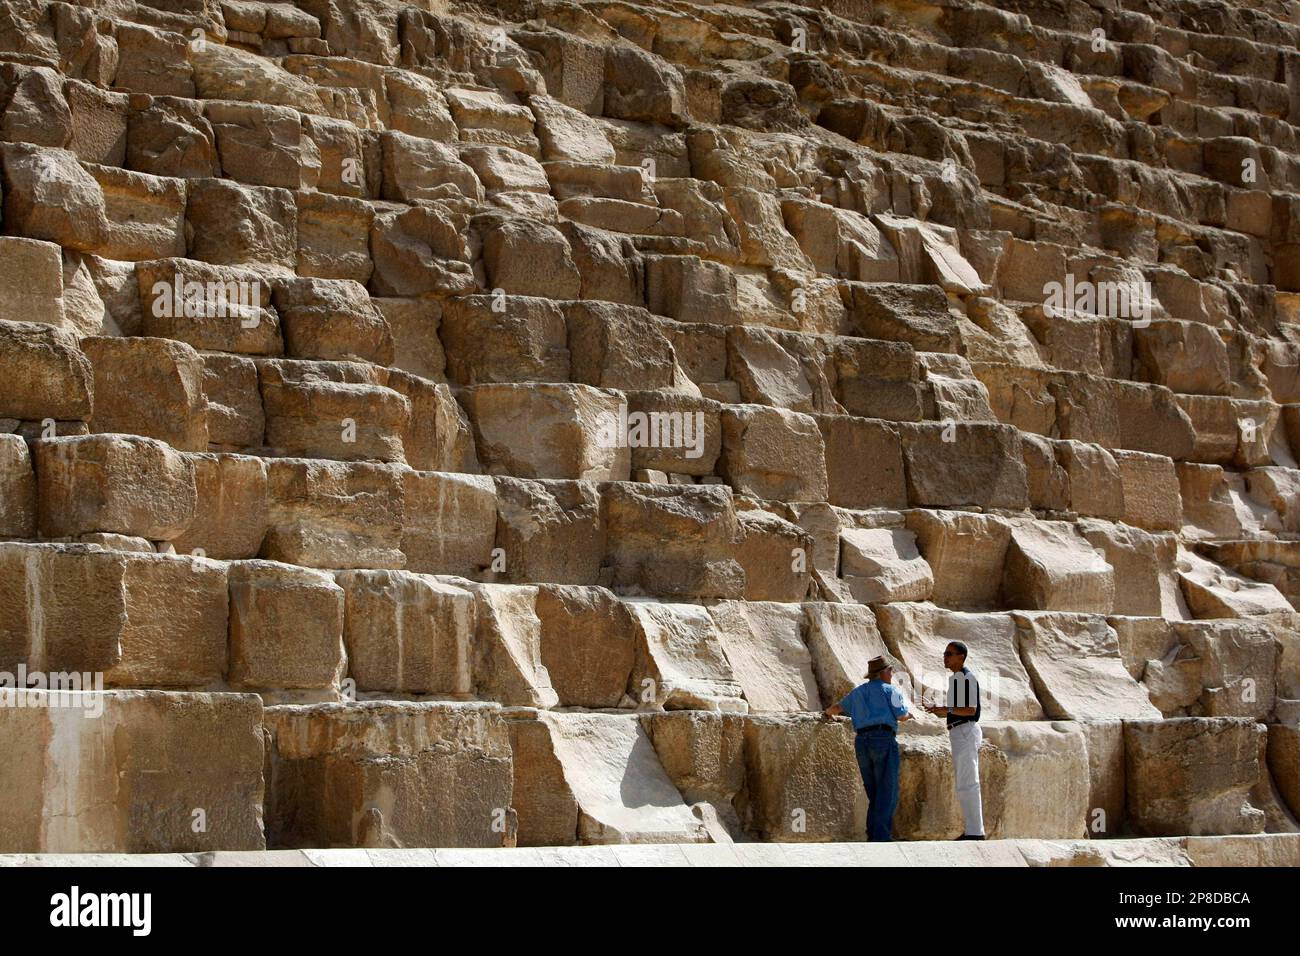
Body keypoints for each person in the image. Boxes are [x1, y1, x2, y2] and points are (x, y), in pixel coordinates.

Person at [822, 655, 912, 842]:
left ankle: (873, 835)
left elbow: (836, 708)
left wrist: (827, 714)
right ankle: (881, 837)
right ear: (882, 673)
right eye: (890, 670)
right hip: (883, 739)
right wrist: (910, 715)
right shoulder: (890, 690)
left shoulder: (858, 692)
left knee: (873, 791)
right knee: (887, 790)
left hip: (862, 742)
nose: (892, 674)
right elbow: (901, 715)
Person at [924, 641, 985, 840]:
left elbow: (970, 710)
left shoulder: (968, 678)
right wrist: (939, 710)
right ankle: (972, 830)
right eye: (944, 654)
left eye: (949, 654)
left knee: (969, 783)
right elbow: (956, 710)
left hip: (966, 731)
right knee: (963, 783)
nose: (945, 657)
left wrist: (945, 709)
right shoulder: (957, 680)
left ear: (961, 656)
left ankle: (976, 833)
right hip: (958, 731)